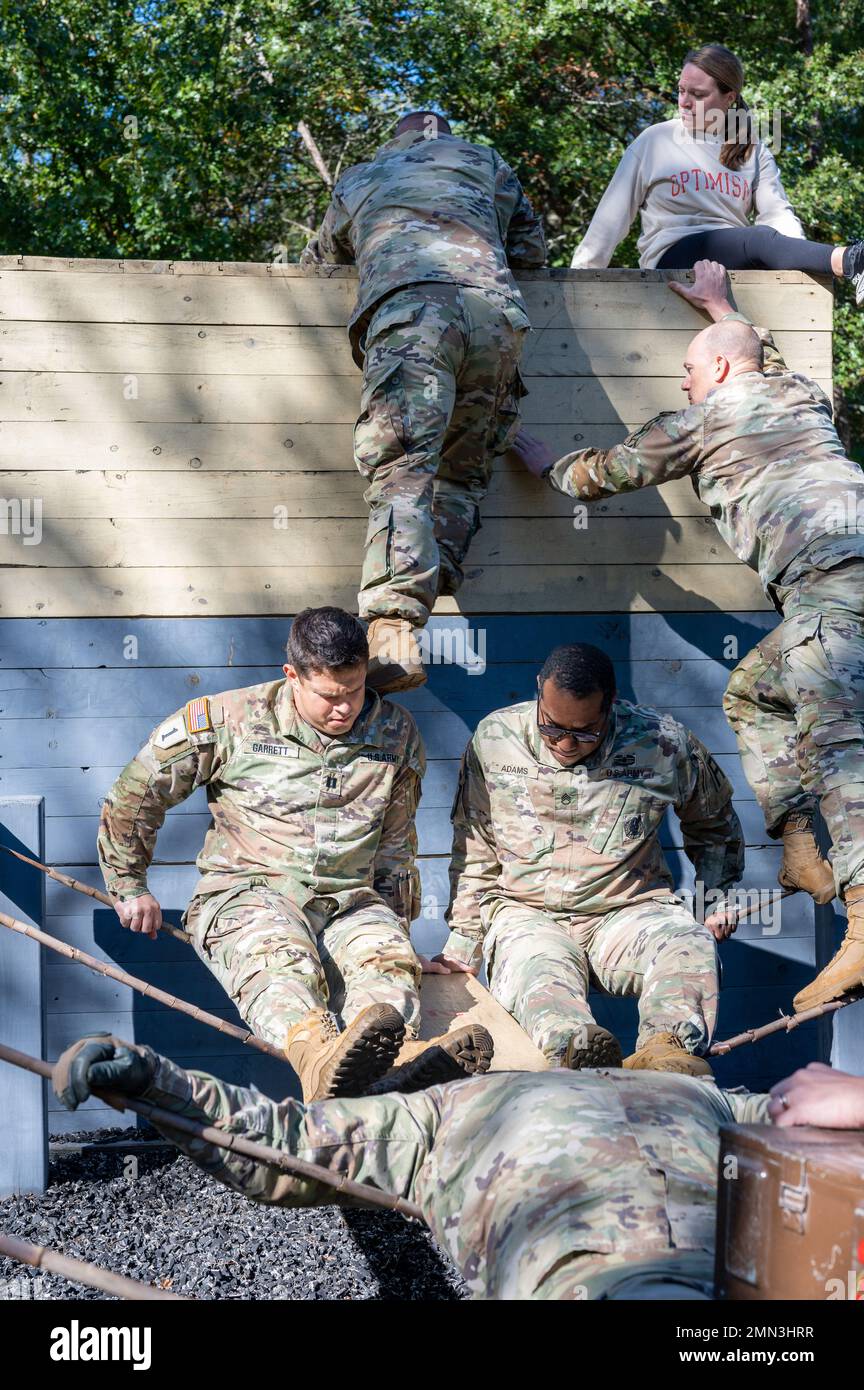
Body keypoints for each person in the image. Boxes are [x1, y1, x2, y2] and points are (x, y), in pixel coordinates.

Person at [513, 259, 864, 1016]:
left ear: (722, 371)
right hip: (833, 585)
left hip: (833, 583)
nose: (683, 381)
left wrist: (549, 467)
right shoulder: (802, 395)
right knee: (755, 694)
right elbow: (756, 353)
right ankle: (800, 846)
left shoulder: (706, 420)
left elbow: (603, 474)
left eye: (690, 370)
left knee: (841, 749)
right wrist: (723, 308)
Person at [51, 1029, 781, 1301]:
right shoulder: (701, 1095)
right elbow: (800, 1118)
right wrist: (151, 1082)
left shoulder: (448, 1108)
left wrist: (154, 1081)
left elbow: (283, 1145)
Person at [97, 606, 492, 1101]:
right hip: (249, 893)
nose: (344, 708)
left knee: (387, 969)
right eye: (328, 695)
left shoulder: (395, 733)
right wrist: (128, 884)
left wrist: (399, 935)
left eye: (354, 690)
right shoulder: (229, 719)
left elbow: (395, 846)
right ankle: (318, 1060)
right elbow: (137, 794)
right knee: (283, 963)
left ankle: (398, 1063)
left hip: (352, 901)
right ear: (292, 676)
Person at [301, 111, 546, 692]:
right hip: (496, 317)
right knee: (462, 469)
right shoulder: (486, 161)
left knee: (402, 467)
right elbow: (530, 251)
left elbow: (320, 263)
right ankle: (435, 585)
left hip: (413, 313)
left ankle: (393, 634)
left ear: (399, 140)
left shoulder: (363, 175)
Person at [434, 642, 744, 1075]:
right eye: (552, 727)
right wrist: (464, 941)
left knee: (688, 944)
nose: (565, 744)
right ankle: (575, 1053)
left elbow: (714, 825)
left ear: (610, 705)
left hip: (628, 910)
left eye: (584, 732)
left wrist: (715, 898)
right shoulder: (495, 739)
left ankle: (666, 1056)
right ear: (539, 690)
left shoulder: (662, 743)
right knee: (539, 979)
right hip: (528, 914)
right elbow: (475, 843)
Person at [570, 43, 863, 305]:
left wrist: (798, 266)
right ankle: (851, 261)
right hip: (673, 260)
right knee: (759, 239)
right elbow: (610, 219)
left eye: (698, 94)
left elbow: (777, 215)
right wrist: (574, 283)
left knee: (760, 244)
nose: (684, 102)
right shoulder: (655, 141)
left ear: (728, 97)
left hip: (735, 265)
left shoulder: (752, 149)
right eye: (681, 90)